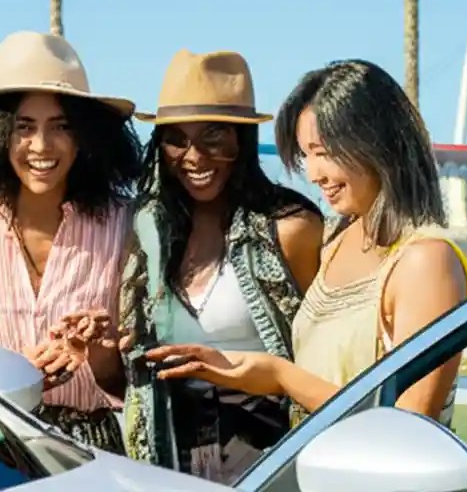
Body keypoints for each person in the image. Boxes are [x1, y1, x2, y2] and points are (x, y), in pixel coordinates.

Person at [140, 59, 467, 428]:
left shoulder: (425, 260)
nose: (313, 175)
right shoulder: (334, 241)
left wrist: (282, 377)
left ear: (378, 143)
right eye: (306, 155)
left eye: (324, 152)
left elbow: (410, 427)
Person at [111, 49, 324, 481]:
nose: (193, 157)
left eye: (213, 137)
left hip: (269, 459)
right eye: (176, 139)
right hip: (168, 461)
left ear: (241, 142)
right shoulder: (149, 229)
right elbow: (127, 373)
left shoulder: (290, 227)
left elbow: (318, 358)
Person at [0, 30, 143, 453]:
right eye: (23, 128)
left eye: (61, 127)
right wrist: (17, 375)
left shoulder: (125, 224)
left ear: (85, 137)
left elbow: (133, 386)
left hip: (95, 456)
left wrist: (99, 354)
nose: (41, 146)